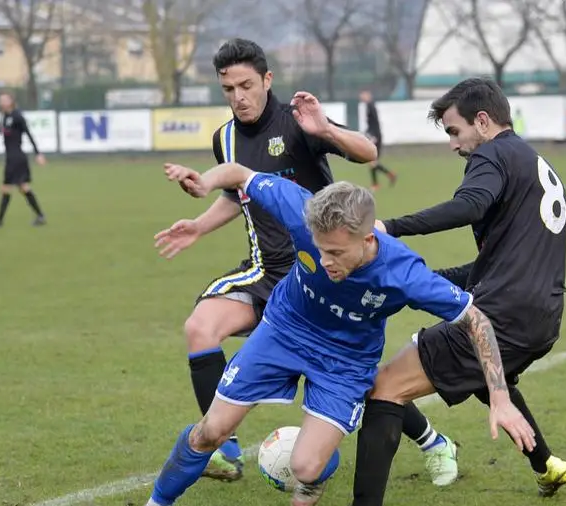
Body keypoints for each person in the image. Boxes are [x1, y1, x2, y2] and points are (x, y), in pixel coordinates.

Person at [153, 38, 458, 486]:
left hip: (323, 267)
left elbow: (367, 152)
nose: (238, 97)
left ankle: (433, 441)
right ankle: (223, 447)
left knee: (360, 378)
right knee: (201, 327)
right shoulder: (226, 138)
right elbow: (238, 193)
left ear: (267, 80)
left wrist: (327, 131)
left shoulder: (297, 122)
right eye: (228, 89)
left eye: (246, 85)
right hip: (265, 270)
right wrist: (199, 226)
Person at [144, 161, 534, 506]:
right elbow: (241, 173)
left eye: (337, 253)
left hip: (345, 362)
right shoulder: (299, 211)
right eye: (321, 250)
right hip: (284, 330)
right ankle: (157, 501)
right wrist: (205, 182)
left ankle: (312, 482)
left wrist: (499, 397)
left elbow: (476, 319)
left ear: (367, 240)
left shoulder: (402, 272)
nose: (326, 261)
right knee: (211, 431)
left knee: (306, 467)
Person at [350, 77, 566, 506]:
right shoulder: (530, 160)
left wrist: (392, 229)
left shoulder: (490, 155)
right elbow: (490, 268)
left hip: (503, 315)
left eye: (455, 132)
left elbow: (470, 205)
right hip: (542, 316)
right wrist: (418, 280)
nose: (454, 145)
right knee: (479, 369)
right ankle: (546, 463)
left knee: (385, 387)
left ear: (484, 121)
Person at [0, 91, 47, 228]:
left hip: (16, 157)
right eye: (1, 100)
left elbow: (29, 134)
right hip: (12, 157)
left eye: (5, 99)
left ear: (11, 101)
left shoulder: (17, 116)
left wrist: (38, 153)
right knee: (23, 187)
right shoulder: (4, 117)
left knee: (6, 188)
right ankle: (40, 216)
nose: (2, 102)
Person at [359, 90, 397, 191]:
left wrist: (372, 135)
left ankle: (385, 178)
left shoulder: (370, 106)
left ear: (368, 95)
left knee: (372, 161)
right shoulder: (370, 106)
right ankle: (380, 181)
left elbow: (374, 123)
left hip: (375, 136)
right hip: (374, 135)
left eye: (363, 94)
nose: (361, 96)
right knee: (372, 162)